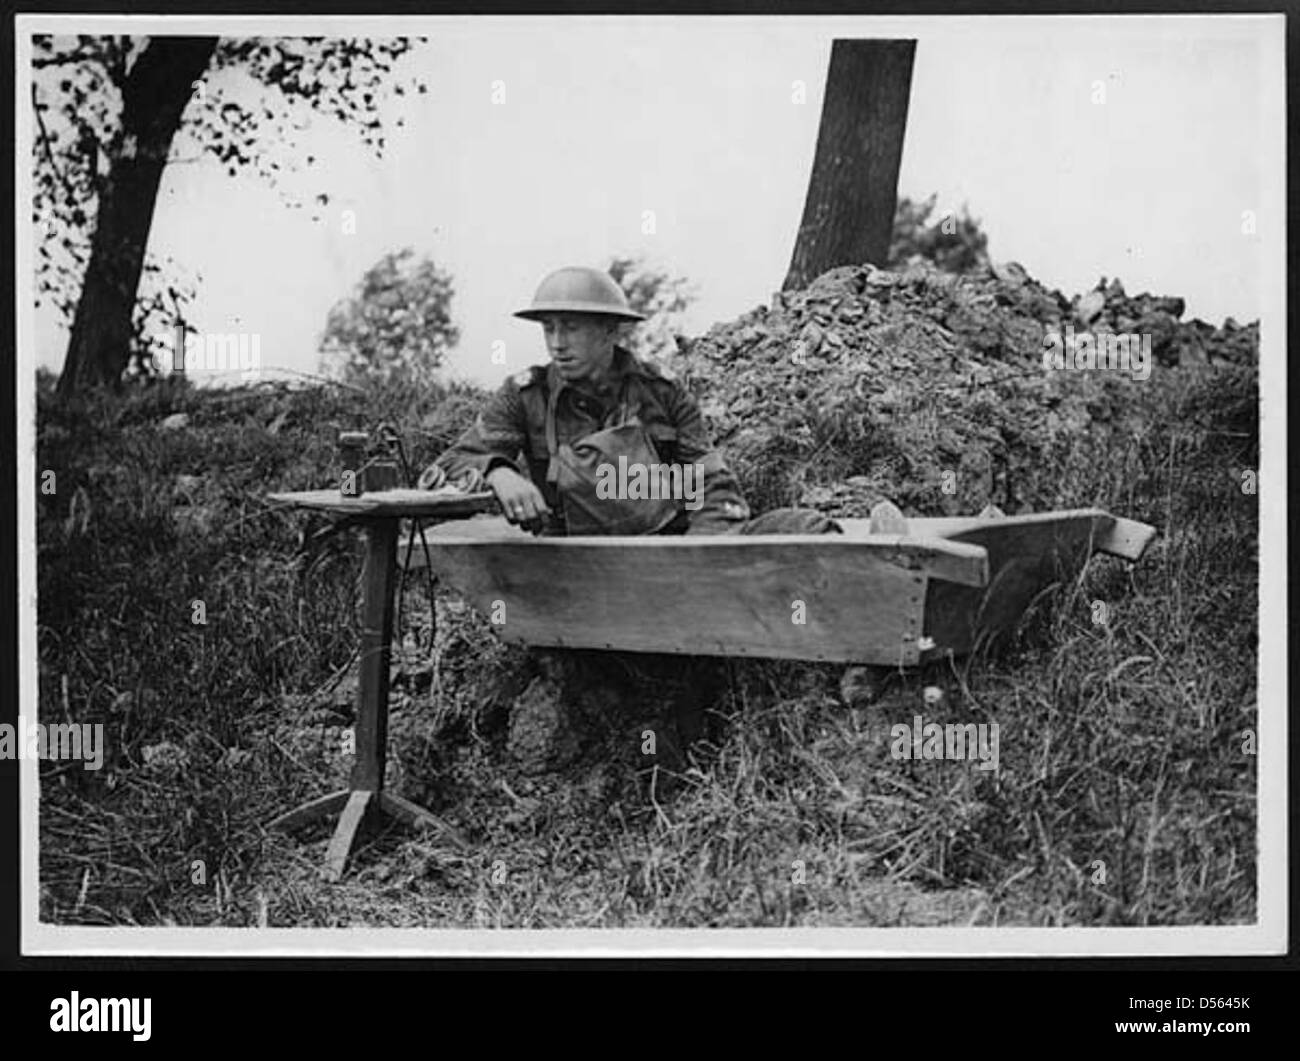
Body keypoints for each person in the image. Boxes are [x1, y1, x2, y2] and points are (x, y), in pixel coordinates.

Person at [419, 266, 875, 537]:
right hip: (571, 559)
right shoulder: (525, 395)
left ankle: (872, 553)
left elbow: (710, 484)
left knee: (798, 530)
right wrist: (498, 472)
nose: (557, 342)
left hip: (663, 544)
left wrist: (704, 554)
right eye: (549, 328)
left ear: (610, 331)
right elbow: (447, 467)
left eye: (571, 327)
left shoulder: (662, 393)